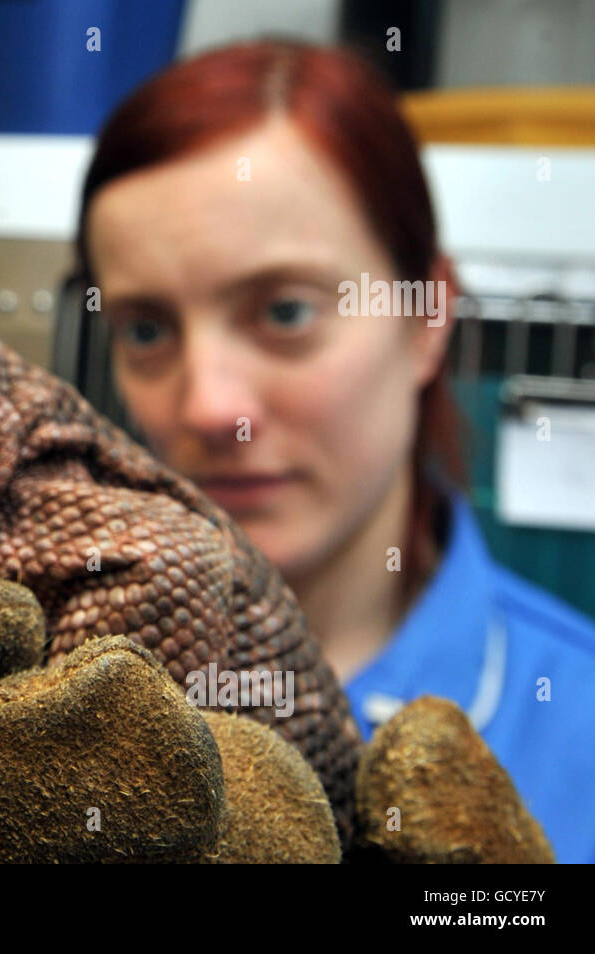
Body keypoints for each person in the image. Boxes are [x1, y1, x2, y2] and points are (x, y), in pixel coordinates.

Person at [77, 40, 595, 863]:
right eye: (146, 329)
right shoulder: (57, 701)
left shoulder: (576, 720)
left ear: (427, 319)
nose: (209, 406)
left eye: (285, 312)